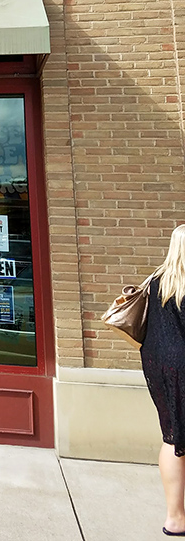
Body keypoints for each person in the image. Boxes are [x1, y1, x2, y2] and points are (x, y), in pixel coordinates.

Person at [141, 224, 185, 536]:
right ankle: (176, 519)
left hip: (156, 364)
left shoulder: (156, 280)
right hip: (181, 365)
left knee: (172, 436)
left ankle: (175, 514)